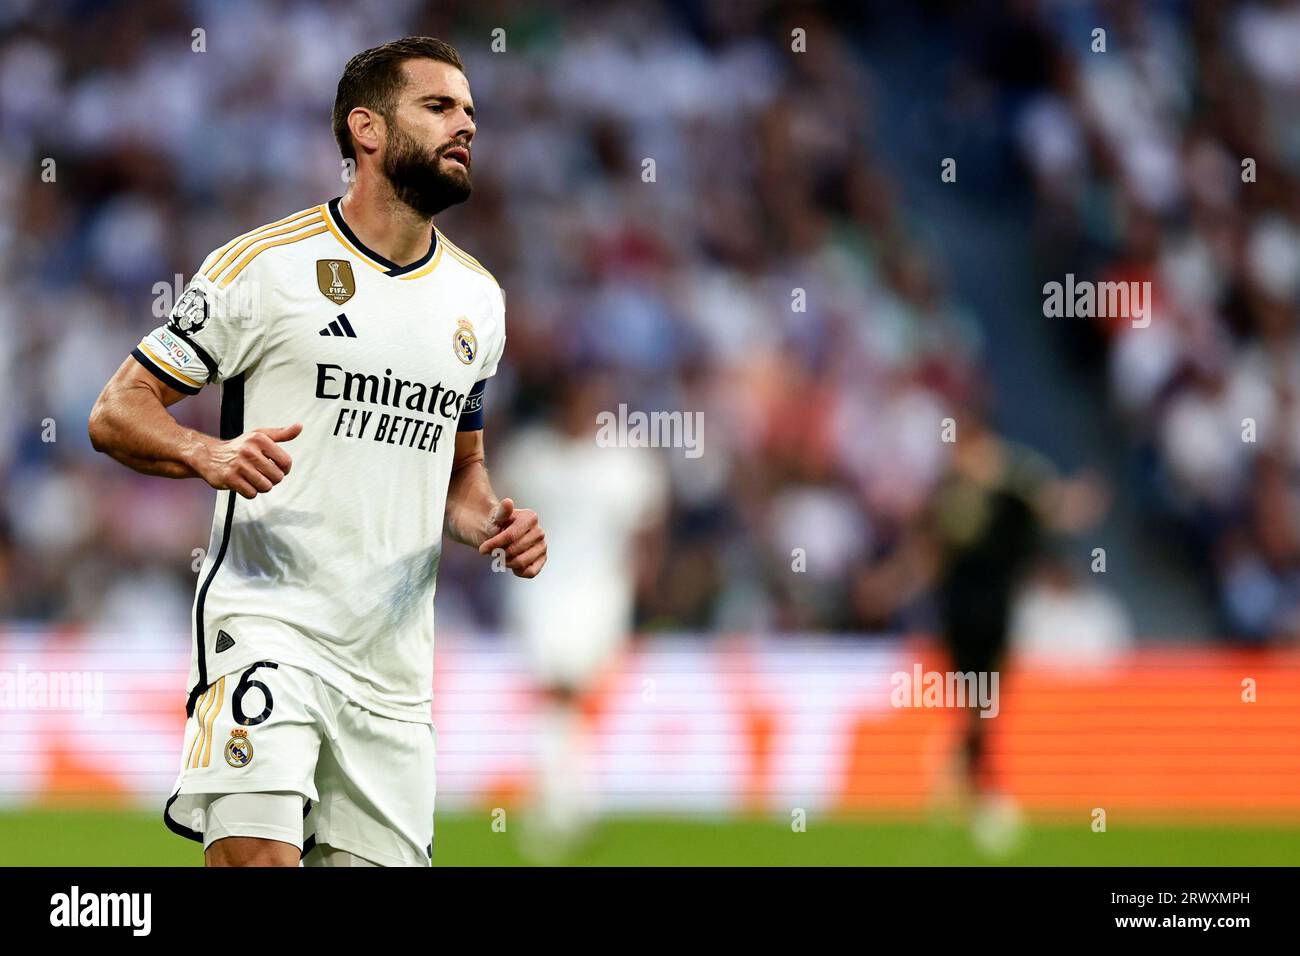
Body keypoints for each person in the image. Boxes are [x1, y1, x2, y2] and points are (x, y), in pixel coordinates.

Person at [87, 37, 546, 867]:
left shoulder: (479, 301)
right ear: (366, 130)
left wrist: (493, 524)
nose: (466, 126)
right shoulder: (265, 267)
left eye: (471, 112)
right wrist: (207, 452)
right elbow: (117, 409)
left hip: (395, 675)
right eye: (439, 107)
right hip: (270, 625)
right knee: (256, 859)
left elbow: (462, 472)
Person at [496, 376, 667, 858]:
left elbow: (649, 524)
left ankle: (564, 799)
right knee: (556, 691)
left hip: (601, 593)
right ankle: (568, 799)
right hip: (538, 589)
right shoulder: (534, 456)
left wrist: (644, 578)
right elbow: (497, 507)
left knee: (570, 692)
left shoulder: (624, 461)